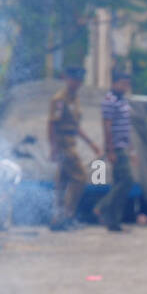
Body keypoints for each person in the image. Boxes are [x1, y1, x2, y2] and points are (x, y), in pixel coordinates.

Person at [47, 66, 100, 231]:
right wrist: (53, 147)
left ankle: (58, 219)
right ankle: (67, 216)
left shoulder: (74, 99)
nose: (77, 83)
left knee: (62, 183)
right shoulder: (60, 99)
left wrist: (91, 143)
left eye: (79, 80)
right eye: (74, 79)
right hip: (63, 144)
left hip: (71, 140)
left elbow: (76, 126)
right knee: (80, 178)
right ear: (67, 79)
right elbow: (51, 124)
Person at [95, 69, 134, 232]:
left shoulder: (123, 100)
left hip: (124, 146)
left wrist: (131, 149)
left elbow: (126, 126)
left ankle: (113, 222)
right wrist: (110, 150)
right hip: (116, 148)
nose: (125, 87)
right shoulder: (110, 100)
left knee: (119, 183)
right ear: (115, 83)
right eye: (123, 83)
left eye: (127, 84)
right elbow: (107, 127)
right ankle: (102, 206)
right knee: (127, 181)